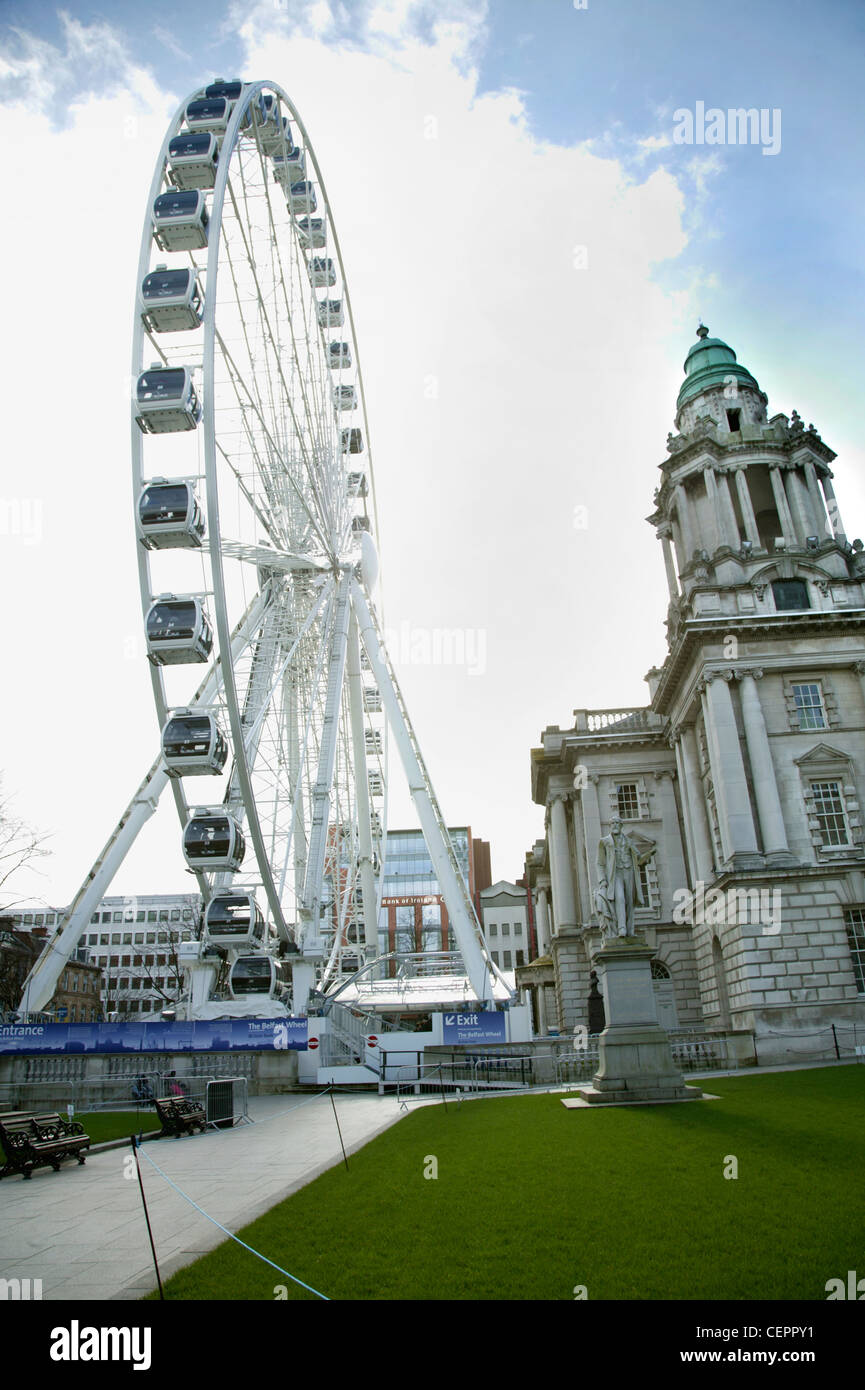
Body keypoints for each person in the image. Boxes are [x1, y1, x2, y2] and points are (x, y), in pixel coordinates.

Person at [596, 818, 657, 938]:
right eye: (612, 823)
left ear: (621, 825)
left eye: (617, 823)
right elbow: (600, 863)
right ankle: (622, 928)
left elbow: (638, 859)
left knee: (629, 901)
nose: (615, 825)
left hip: (628, 872)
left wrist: (648, 855)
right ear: (610, 826)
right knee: (620, 897)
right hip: (615, 874)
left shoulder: (629, 841)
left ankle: (630, 930)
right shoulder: (604, 842)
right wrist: (602, 880)